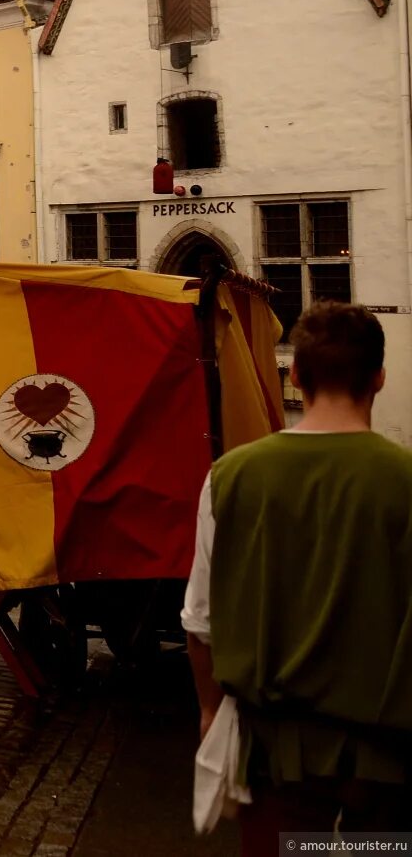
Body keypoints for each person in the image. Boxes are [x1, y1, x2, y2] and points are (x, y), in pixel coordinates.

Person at [185, 303, 412, 849]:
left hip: (277, 754)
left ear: (295, 375)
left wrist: (210, 710)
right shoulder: (404, 480)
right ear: (379, 377)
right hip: (389, 758)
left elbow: (200, 622)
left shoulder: (230, 477)